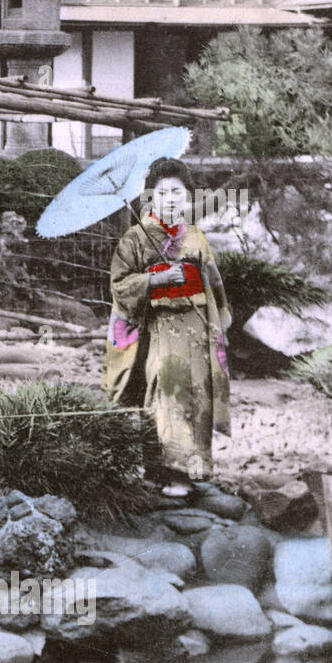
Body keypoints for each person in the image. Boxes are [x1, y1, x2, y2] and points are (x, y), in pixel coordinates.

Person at [103, 157, 232, 498]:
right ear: (151, 198)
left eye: (178, 192)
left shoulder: (196, 237)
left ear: (188, 197)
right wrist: (154, 278)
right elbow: (119, 285)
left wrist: (217, 322)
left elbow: (214, 284)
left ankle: (187, 474)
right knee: (163, 390)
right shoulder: (134, 238)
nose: (171, 199)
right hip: (157, 326)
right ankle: (160, 471)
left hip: (195, 324)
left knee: (197, 393)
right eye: (163, 193)